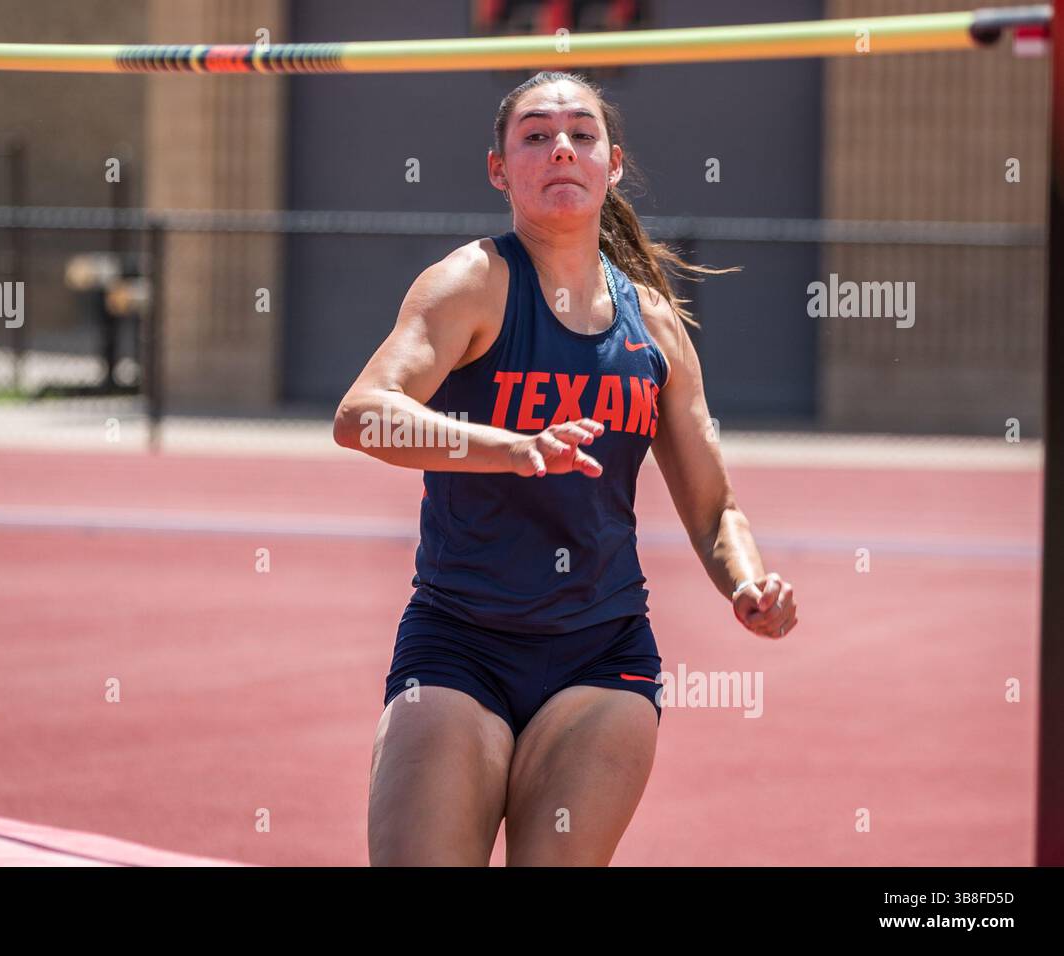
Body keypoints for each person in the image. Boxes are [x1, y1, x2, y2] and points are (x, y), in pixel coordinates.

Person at [333, 71, 798, 866]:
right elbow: (362, 414)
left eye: (582, 135)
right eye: (537, 135)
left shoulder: (651, 324)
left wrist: (747, 583)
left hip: (601, 654)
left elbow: (714, 504)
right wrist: (509, 449)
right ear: (498, 169)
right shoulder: (470, 284)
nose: (561, 149)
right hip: (458, 643)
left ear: (611, 164)